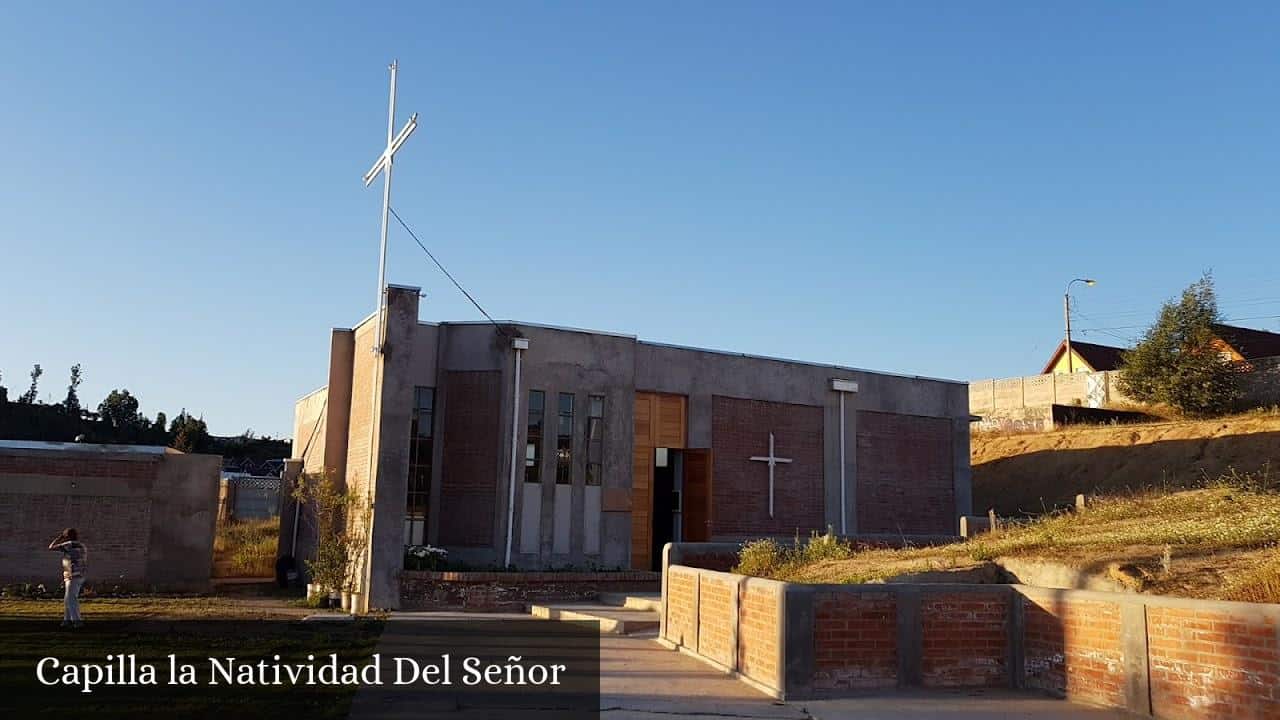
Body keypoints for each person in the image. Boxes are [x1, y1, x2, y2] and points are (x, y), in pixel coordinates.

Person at [48, 528, 87, 627]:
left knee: (71, 598)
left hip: (71, 575)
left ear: (67, 536)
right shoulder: (82, 545)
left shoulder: (68, 545)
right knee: (68, 598)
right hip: (80, 574)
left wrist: (59, 538)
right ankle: (67, 619)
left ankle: (77, 620)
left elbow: (51, 547)